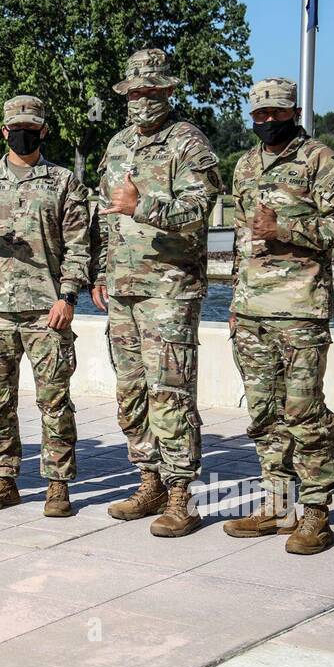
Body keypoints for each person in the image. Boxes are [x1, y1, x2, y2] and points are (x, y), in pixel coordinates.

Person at [224, 77, 334, 554]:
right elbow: (245, 239)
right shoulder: (244, 164)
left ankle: (318, 513)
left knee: (304, 414)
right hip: (253, 310)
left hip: (300, 310)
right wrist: (235, 303)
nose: (267, 121)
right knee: (263, 414)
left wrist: (286, 228)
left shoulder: (320, 160)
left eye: (276, 113)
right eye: (259, 114)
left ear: (294, 111)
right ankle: (279, 505)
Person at [92, 49, 223, 538]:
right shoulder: (118, 143)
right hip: (123, 290)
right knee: (131, 392)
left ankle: (180, 495)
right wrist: (104, 272)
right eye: (134, 93)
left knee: (170, 391)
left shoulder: (187, 142)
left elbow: (199, 207)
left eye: (151, 92)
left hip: (169, 288)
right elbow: (109, 215)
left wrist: (142, 203)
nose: (142, 101)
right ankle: (148, 480)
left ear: (168, 91)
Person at [0, 95, 91, 517]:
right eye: (16, 126)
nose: (23, 132)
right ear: (3, 131)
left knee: (54, 401)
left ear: (44, 131)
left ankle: (57, 484)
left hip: (47, 309)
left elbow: (79, 247)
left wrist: (68, 295)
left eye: (31, 126)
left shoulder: (64, 182)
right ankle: (3, 479)